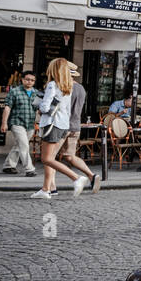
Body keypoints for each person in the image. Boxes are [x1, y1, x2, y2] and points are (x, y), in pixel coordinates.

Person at [32, 58, 88, 199]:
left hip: (52, 124)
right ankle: (46, 189)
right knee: (50, 158)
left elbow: (45, 107)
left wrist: (38, 105)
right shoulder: (67, 86)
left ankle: (76, 178)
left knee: (47, 159)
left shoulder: (52, 84)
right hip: (63, 125)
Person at [59, 63, 102, 192]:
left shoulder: (64, 87)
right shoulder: (81, 88)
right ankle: (91, 175)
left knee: (49, 157)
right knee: (69, 156)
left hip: (62, 125)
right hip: (75, 125)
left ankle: (50, 187)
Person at [0, 71, 40, 176]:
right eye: (27, 79)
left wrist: (39, 122)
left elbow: (39, 110)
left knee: (19, 145)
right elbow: (7, 107)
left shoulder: (37, 93)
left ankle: (8, 166)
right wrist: (4, 123)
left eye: (32, 80)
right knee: (24, 145)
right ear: (22, 80)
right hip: (17, 122)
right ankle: (29, 169)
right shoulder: (15, 92)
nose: (29, 82)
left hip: (30, 124)